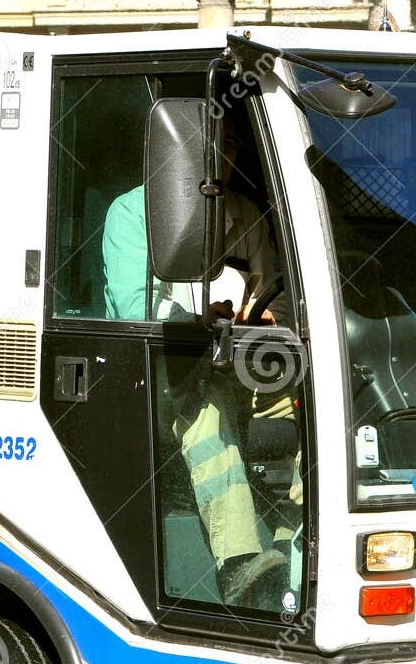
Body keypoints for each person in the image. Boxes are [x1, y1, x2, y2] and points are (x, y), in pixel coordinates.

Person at [102, 114, 292, 609]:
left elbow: (270, 295)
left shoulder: (245, 214)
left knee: (311, 407)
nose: (223, 154)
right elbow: (136, 307)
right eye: (213, 142)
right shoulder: (132, 213)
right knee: (206, 406)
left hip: (240, 370)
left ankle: (294, 542)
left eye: (231, 144)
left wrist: (264, 317)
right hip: (158, 378)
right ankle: (239, 561)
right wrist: (199, 320)